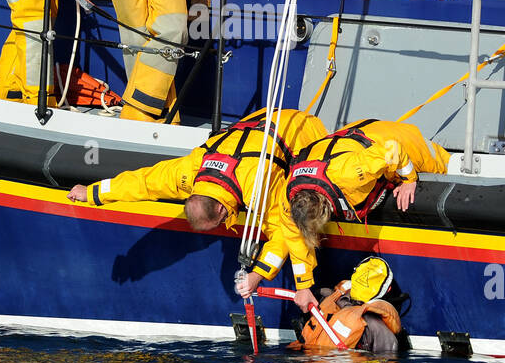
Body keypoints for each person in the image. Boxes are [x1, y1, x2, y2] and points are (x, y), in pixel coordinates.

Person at [67, 109, 327, 309]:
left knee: (300, 203)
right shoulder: (190, 171)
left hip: (305, 132)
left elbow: (286, 230)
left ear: (223, 212)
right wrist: (92, 193)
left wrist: (260, 274)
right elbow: (145, 182)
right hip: (265, 122)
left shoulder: (257, 186)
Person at [236, 119, 451, 300]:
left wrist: (409, 179)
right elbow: (295, 241)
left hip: (397, 140)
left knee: (444, 164)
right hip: (349, 140)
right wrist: (303, 286)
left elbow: (393, 149)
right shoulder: (289, 196)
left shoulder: (351, 175)